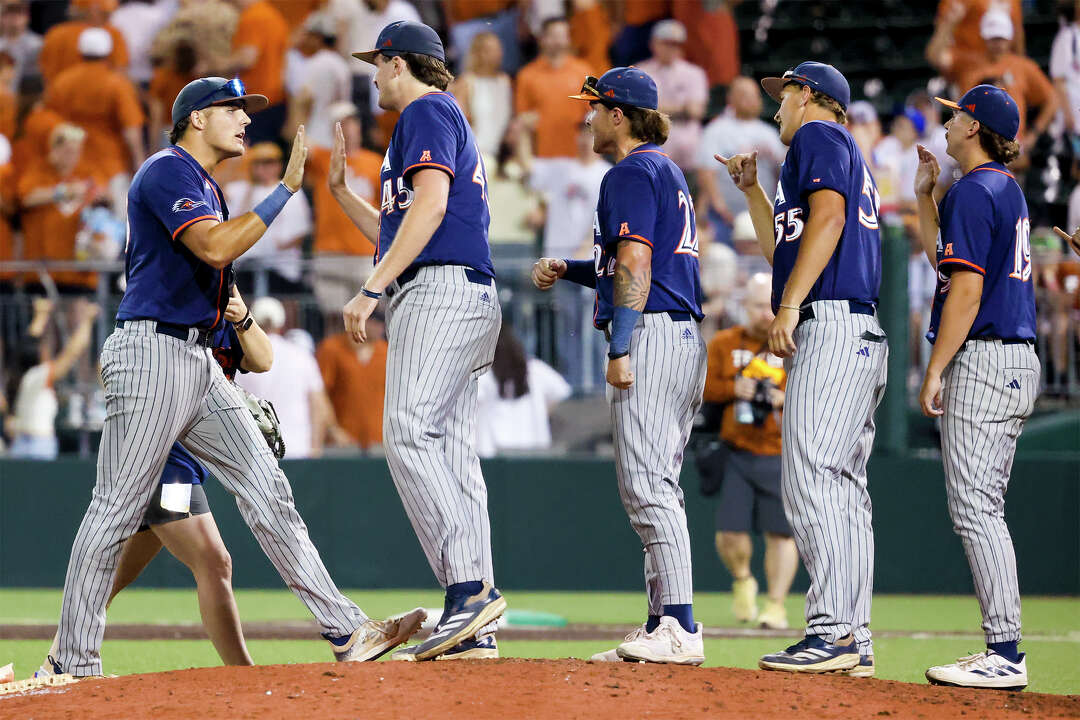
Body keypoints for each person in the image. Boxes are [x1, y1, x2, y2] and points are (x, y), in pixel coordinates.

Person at [35, 76, 425, 679]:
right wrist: (285, 191)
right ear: (196, 119)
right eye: (232, 110)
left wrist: (240, 317)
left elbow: (254, 347)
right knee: (117, 512)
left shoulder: (208, 187)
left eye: (246, 110)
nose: (245, 119)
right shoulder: (167, 170)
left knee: (268, 491)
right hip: (153, 355)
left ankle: (347, 631)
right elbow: (215, 248)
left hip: (196, 364)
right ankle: (71, 661)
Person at [337, 21, 506, 662]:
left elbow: (430, 208)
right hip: (463, 292)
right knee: (454, 455)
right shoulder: (438, 115)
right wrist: (341, 194)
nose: (373, 77)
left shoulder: (426, 110)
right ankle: (475, 626)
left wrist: (370, 289)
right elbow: (402, 227)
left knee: (407, 432)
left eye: (377, 64)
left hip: (438, 293)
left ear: (398, 63)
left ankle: (469, 592)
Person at [715, 61, 886, 676]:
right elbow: (784, 251)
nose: (777, 106)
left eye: (784, 93)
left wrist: (787, 306)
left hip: (831, 322)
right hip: (854, 328)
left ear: (809, 95)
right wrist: (753, 193)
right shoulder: (833, 150)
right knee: (843, 490)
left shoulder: (818, 135)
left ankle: (832, 630)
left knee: (811, 477)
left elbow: (830, 221)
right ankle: (853, 634)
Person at [534, 66, 708, 665]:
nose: (586, 118)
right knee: (655, 482)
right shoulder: (666, 170)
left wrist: (620, 347)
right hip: (678, 333)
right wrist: (572, 269)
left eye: (594, 108)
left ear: (618, 114)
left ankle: (679, 625)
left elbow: (635, 262)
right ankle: (662, 621)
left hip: (651, 334)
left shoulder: (630, 171)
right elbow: (626, 264)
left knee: (647, 484)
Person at [913, 85, 1038, 691]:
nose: (947, 121)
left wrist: (935, 367)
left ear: (975, 127)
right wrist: (924, 198)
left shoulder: (973, 190)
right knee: (984, 507)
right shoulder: (1002, 188)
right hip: (1015, 360)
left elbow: (964, 292)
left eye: (956, 113)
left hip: (986, 359)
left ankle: (1005, 653)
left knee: (976, 509)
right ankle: (1003, 648)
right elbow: (948, 267)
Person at [107, 284, 271, 667]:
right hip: (162, 461)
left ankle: (60, 654)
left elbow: (264, 360)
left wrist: (242, 316)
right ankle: (243, 673)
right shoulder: (157, 323)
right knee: (215, 561)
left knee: (109, 575)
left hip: (187, 462)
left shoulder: (220, 318)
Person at [702, 273, 800, 633]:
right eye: (758, 305)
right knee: (730, 532)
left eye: (770, 306)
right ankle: (743, 579)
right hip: (737, 448)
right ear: (745, 306)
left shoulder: (797, 343)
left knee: (782, 534)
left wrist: (785, 398)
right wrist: (735, 387)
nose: (765, 313)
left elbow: (816, 389)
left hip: (780, 450)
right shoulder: (725, 342)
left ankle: (776, 604)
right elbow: (705, 389)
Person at [235, 297, 346, 458]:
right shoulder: (301, 356)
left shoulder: (242, 358)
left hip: (254, 452)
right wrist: (315, 447)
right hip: (297, 448)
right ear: (281, 324)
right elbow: (318, 405)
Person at [305, 102, 383, 317]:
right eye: (341, 123)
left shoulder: (375, 162)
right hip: (329, 252)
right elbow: (299, 138)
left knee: (369, 317)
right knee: (333, 318)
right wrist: (307, 106)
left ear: (359, 126)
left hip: (366, 252)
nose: (348, 128)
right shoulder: (323, 158)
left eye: (351, 122)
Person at [44, 28, 145, 189]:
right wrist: (139, 162)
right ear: (109, 53)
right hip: (111, 166)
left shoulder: (62, 81)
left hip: (71, 165)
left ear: (80, 51)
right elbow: (131, 128)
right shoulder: (117, 84)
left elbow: (52, 125)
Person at [17, 123, 109, 291]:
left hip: (79, 272)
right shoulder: (38, 171)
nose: (72, 157)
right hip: (43, 270)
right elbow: (26, 197)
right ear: (54, 149)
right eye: (67, 151)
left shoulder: (87, 173)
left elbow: (104, 197)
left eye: (76, 152)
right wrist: (64, 191)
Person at [697, 76, 787, 247]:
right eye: (745, 95)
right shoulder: (717, 129)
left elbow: (782, 173)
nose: (752, 100)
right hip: (723, 217)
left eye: (755, 96)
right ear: (730, 98)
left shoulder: (769, 132)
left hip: (762, 213)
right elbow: (706, 173)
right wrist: (720, 207)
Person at [6, 298, 99, 459]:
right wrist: (88, 320)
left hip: (20, 443)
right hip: (38, 445)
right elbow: (72, 352)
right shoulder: (37, 375)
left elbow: (28, 346)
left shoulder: (17, 375)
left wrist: (40, 315)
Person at [224, 142, 311, 293]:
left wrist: (274, 246)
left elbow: (300, 233)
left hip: (280, 266)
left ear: (279, 165)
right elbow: (230, 224)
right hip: (245, 265)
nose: (263, 168)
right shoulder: (238, 189)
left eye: (269, 163)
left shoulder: (291, 189)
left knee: (282, 302)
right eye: (258, 163)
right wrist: (236, 165)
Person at [475, 321, 571, 457]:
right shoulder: (536, 369)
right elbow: (563, 393)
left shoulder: (483, 375)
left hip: (495, 453)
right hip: (535, 449)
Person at [635, 20, 708, 174]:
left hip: (688, 155)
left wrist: (659, 107)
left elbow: (696, 111)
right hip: (652, 154)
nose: (671, 48)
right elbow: (641, 110)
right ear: (653, 44)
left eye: (676, 44)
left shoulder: (694, 73)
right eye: (666, 43)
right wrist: (682, 108)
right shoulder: (641, 71)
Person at [514, 17, 591, 160]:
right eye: (554, 36)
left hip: (577, 157)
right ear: (542, 39)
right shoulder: (526, 75)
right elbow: (522, 119)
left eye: (563, 36)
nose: (558, 41)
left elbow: (594, 115)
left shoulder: (583, 71)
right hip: (540, 158)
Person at [316, 308, 387, 451]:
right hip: (343, 440)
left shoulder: (386, 351)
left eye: (381, 324)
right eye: (375, 322)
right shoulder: (332, 349)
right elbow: (320, 394)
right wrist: (332, 428)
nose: (380, 328)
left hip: (379, 438)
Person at [228, 0, 289, 144]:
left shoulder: (252, 17)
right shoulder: (273, 15)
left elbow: (247, 59)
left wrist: (213, 64)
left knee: (251, 153)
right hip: (275, 99)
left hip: (256, 102)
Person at [288, 11, 351, 150]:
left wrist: (294, 134)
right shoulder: (342, 64)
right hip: (336, 134)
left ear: (318, 38)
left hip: (313, 135)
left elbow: (302, 100)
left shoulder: (314, 63)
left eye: (310, 35)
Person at [450, 32, 512, 159]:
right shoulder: (467, 82)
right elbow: (458, 123)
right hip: (475, 153)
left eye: (498, 49)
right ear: (479, 54)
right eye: (491, 50)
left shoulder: (505, 81)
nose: (497, 54)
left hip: (500, 153)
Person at [38, 0, 128, 84]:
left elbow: (47, 75)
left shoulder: (55, 34)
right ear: (93, 10)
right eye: (105, 13)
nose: (109, 17)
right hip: (102, 93)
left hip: (62, 92)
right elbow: (120, 72)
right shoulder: (112, 33)